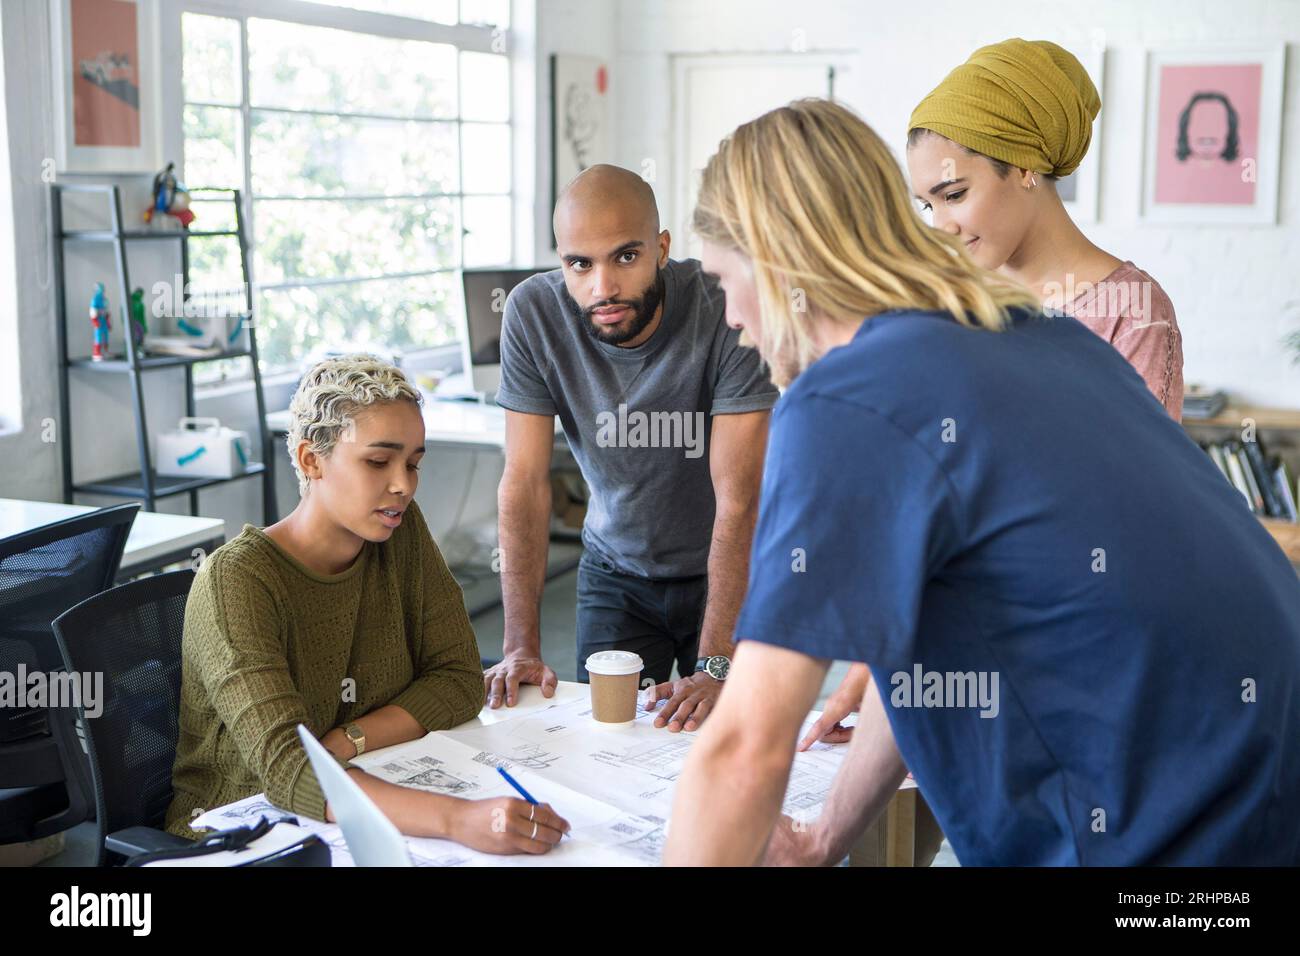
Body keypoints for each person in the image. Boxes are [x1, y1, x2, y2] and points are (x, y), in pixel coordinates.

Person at [663, 98, 1300, 866]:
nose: (729, 317)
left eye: (724, 279)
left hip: (1176, 836)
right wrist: (823, 838)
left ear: (778, 258)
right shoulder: (1045, 338)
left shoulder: (848, 400)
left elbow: (744, 750)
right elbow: (934, 642)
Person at [807, 37, 1188, 751]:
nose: (941, 225)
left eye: (954, 194)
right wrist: (876, 652)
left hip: (1081, 647)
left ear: (1025, 169)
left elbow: (1136, 516)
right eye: (926, 205)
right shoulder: (943, 305)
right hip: (945, 632)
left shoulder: (1131, 309)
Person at [165, 355, 570, 855]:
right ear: (312, 460)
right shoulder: (237, 581)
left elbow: (458, 679)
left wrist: (345, 741)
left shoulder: (398, 532)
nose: (403, 484)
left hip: (361, 788)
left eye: (414, 463)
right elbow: (291, 770)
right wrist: (454, 818)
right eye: (379, 461)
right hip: (241, 829)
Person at [485, 164, 777, 732]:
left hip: (730, 570)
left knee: (727, 738)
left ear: (661, 248)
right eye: (579, 264)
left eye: (625, 257)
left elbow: (739, 498)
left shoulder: (727, 306)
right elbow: (523, 482)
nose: (602, 288)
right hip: (615, 572)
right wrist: (520, 645)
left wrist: (716, 664)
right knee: (611, 740)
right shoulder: (532, 313)